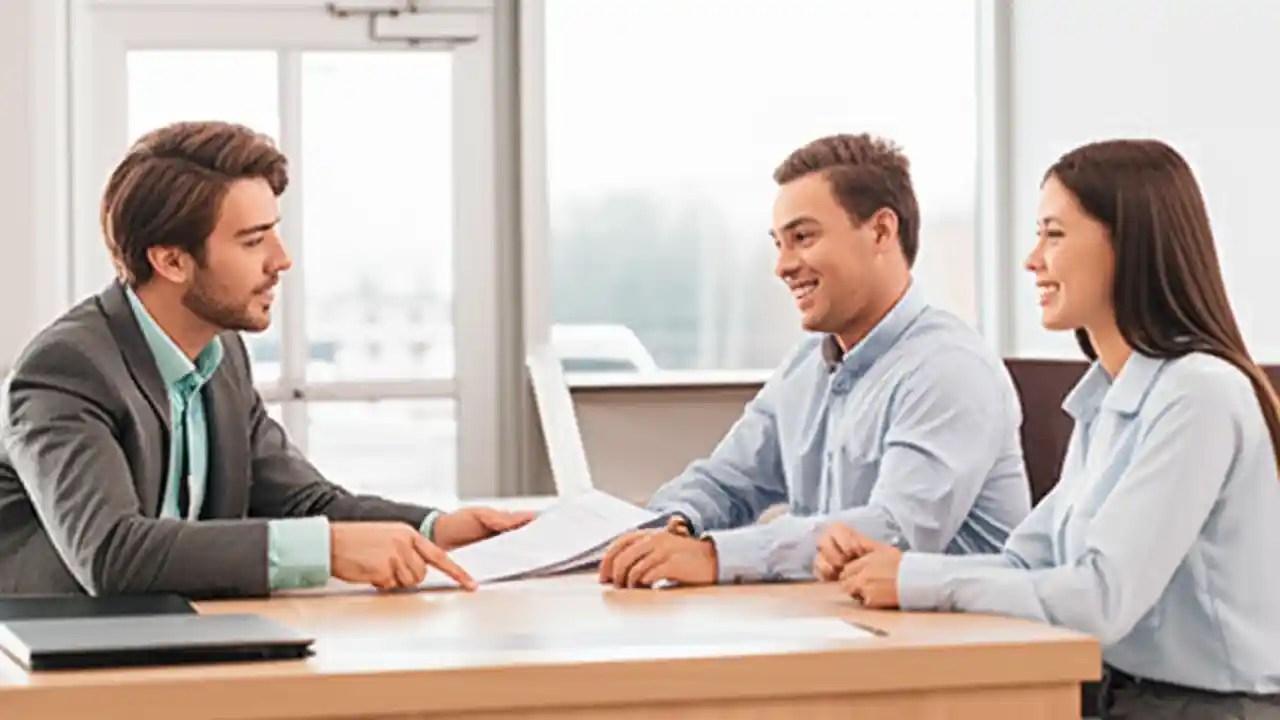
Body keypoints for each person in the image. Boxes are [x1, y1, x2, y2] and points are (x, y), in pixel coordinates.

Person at [827, 139, 1280, 717]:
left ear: (1128, 243)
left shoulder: (1198, 395)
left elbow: (1100, 599)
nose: (1032, 258)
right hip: (1117, 696)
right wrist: (897, 568)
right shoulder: (1110, 397)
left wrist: (917, 581)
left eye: (1054, 234)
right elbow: (1028, 564)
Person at [0, 121, 532, 598]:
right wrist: (327, 552)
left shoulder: (219, 353)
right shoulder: (65, 369)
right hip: (45, 671)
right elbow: (112, 552)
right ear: (170, 260)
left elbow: (302, 501)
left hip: (170, 639)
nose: (282, 259)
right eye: (254, 241)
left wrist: (437, 529)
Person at [598, 133, 1031, 589]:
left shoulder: (950, 368)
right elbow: (727, 480)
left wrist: (713, 556)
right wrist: (658, 530)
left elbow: (893, 532)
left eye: (802, 237)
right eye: (778, 243)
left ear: (881, 231)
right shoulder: (808, 364)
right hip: (843, 628)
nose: (782, 266)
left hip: (955, 645)